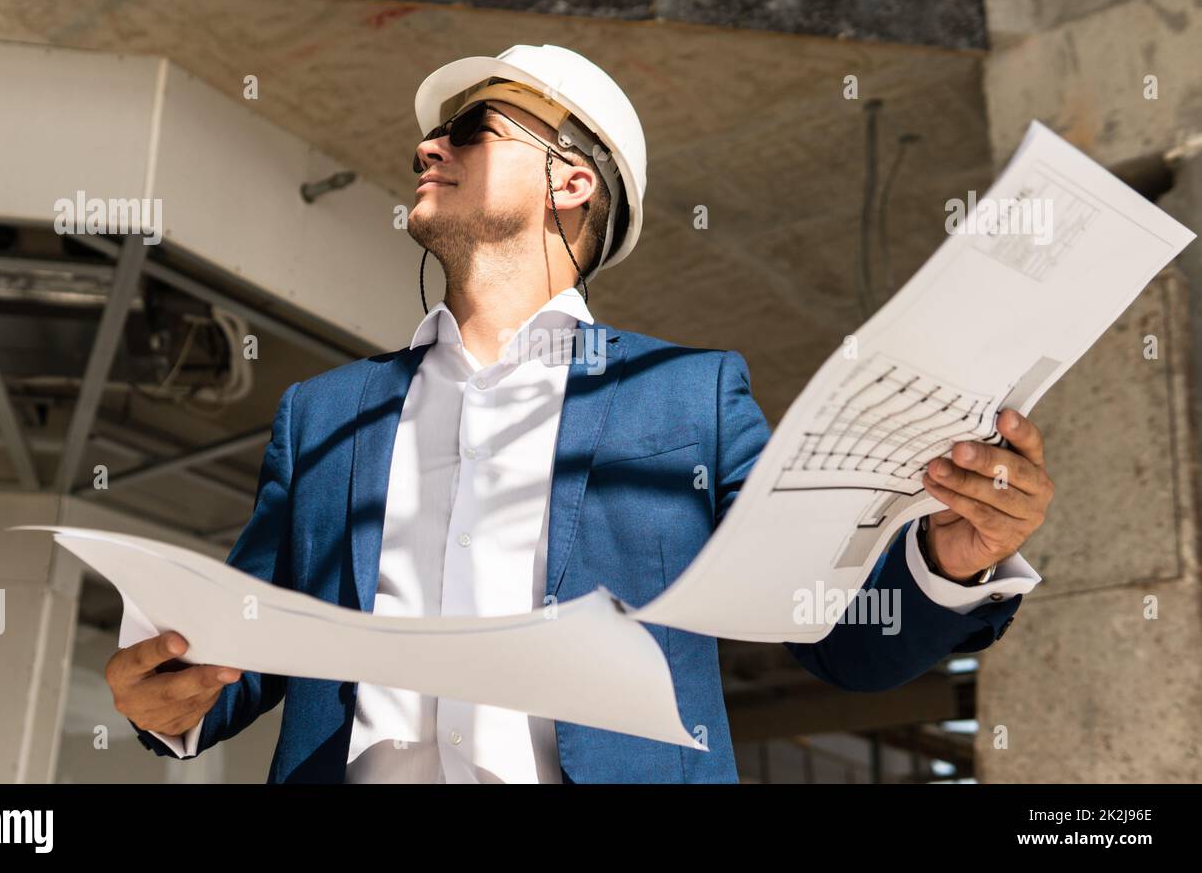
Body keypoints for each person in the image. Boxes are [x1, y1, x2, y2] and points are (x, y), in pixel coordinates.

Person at [105, 44, 1052, 783]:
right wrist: (164, 702)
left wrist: (947, 563)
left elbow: (840, 640)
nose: (427, 146)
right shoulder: (323, 415)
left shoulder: (692, 400)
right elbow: (233, 662)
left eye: (472, 127)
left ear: (572, 180)